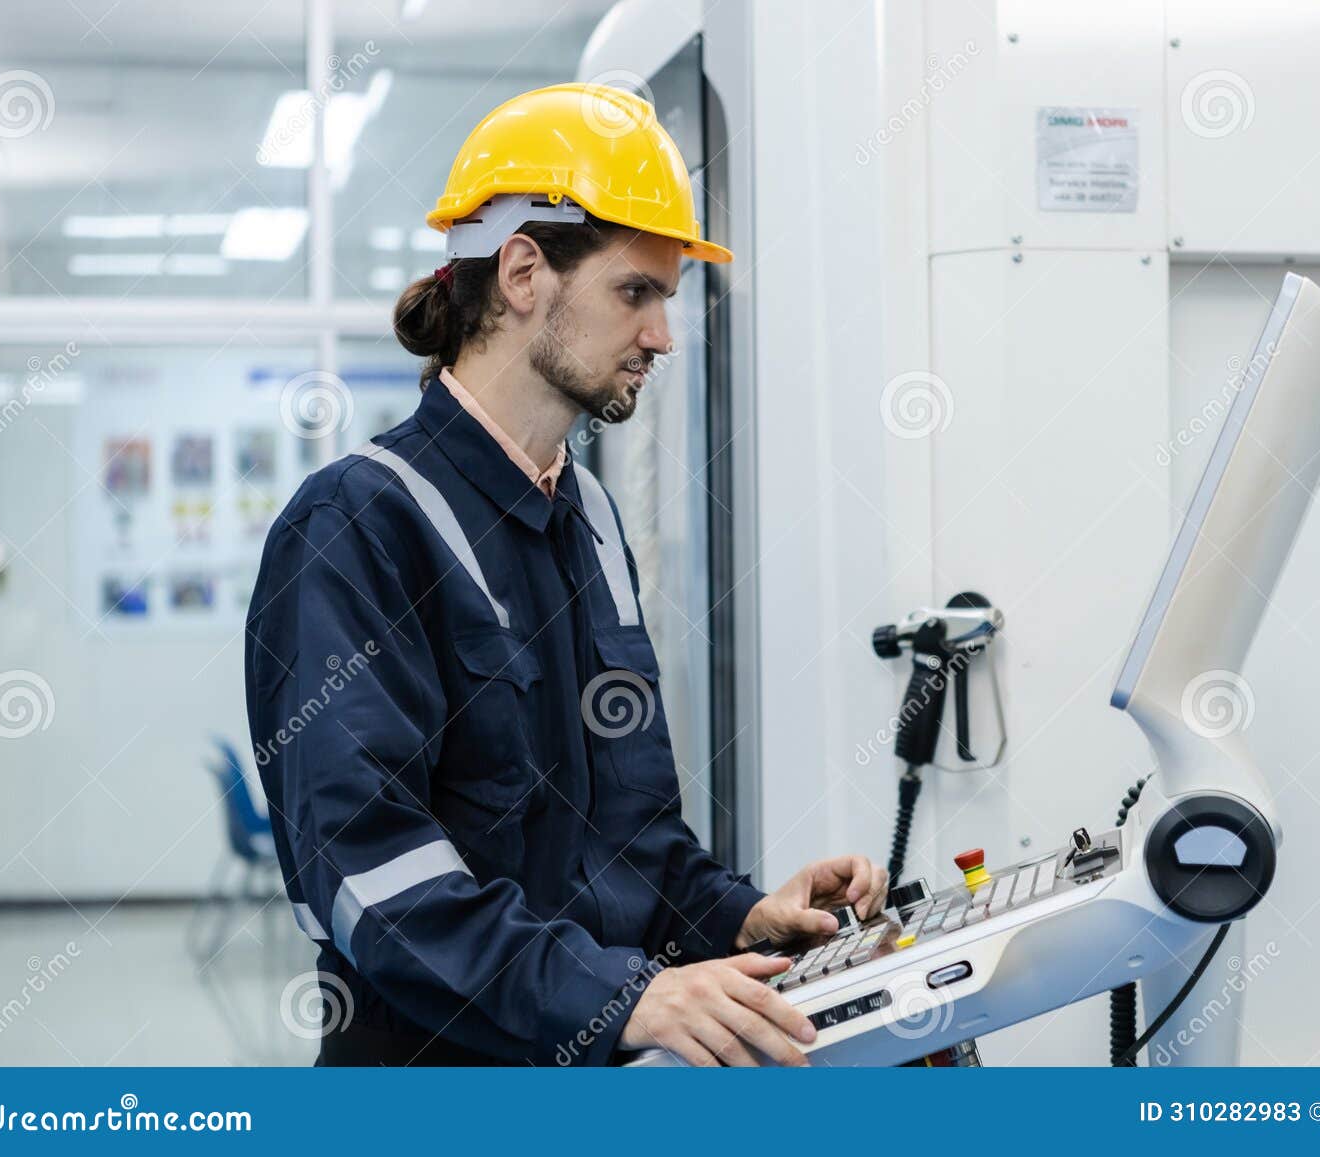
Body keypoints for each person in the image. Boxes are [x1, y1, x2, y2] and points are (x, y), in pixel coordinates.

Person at [244, 83, 886, 1067]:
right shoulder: (354, 525)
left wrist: (746, 916)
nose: (662, 336)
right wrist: (615, 994)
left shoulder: (585, 517)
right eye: (637, 292)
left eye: (666, 300)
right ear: (522, 272)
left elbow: (630, 838)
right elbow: (365, 867)